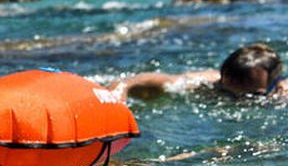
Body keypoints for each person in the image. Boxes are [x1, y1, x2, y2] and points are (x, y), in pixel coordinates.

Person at [110, 42, 286, 100]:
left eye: (252, 95)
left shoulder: (282, 93)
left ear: (274, 85)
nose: (239, 98)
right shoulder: (209, 82)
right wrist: (122, 88)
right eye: (227, 86)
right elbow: (165, 81)